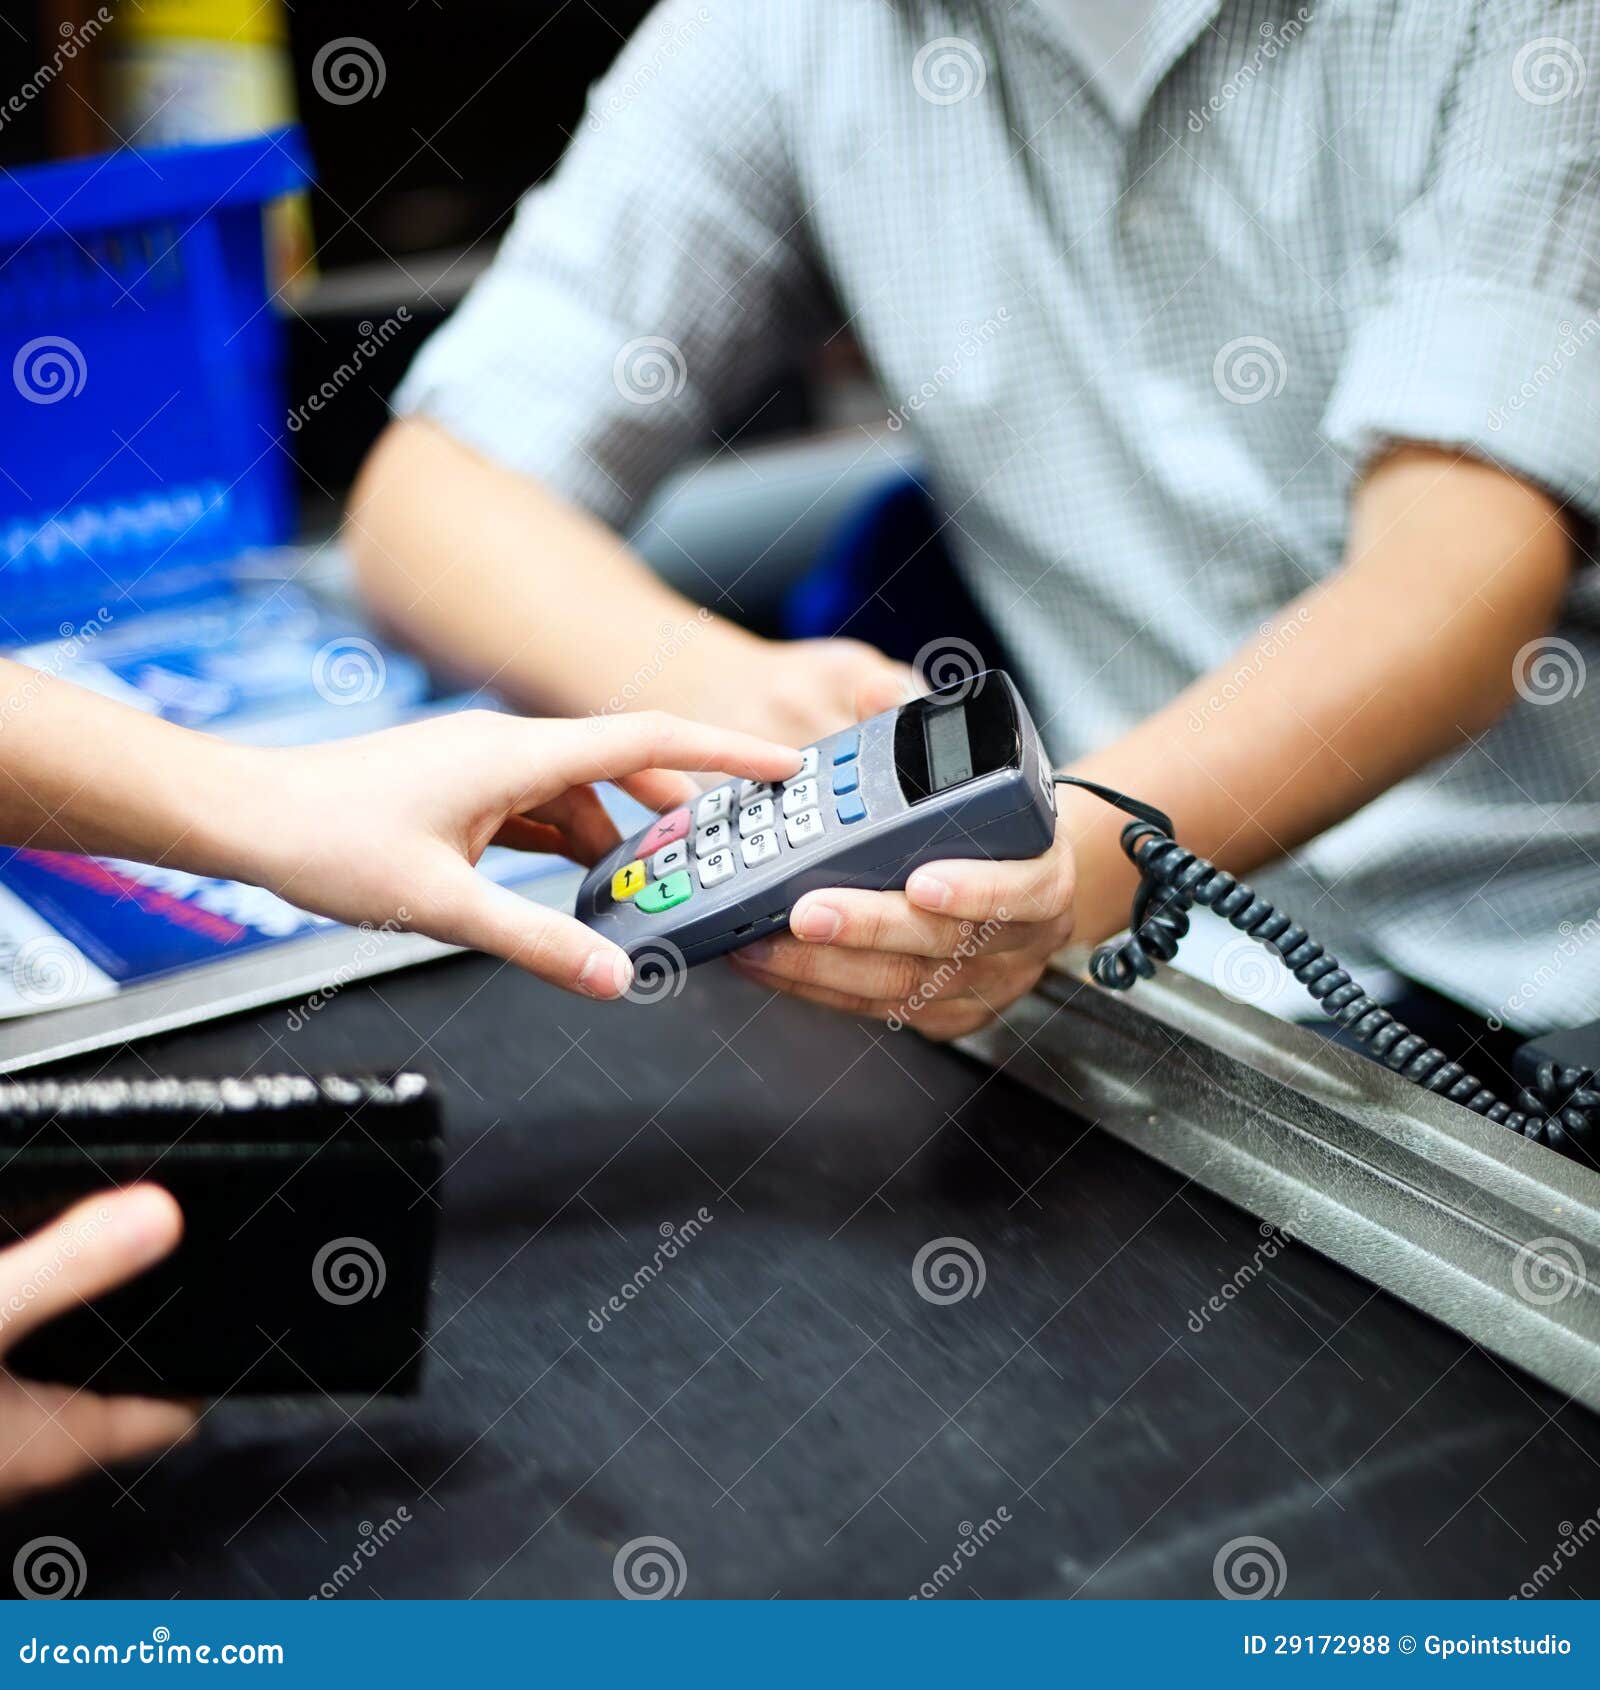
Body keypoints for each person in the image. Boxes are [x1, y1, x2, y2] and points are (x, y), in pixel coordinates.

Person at [347, 0, 1600, 1044]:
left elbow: (1457, 585)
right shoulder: (787, 29)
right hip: (1167, 992)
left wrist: (1076, 863)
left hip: (1546, 958)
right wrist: (718, 694)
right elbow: (431, 496)